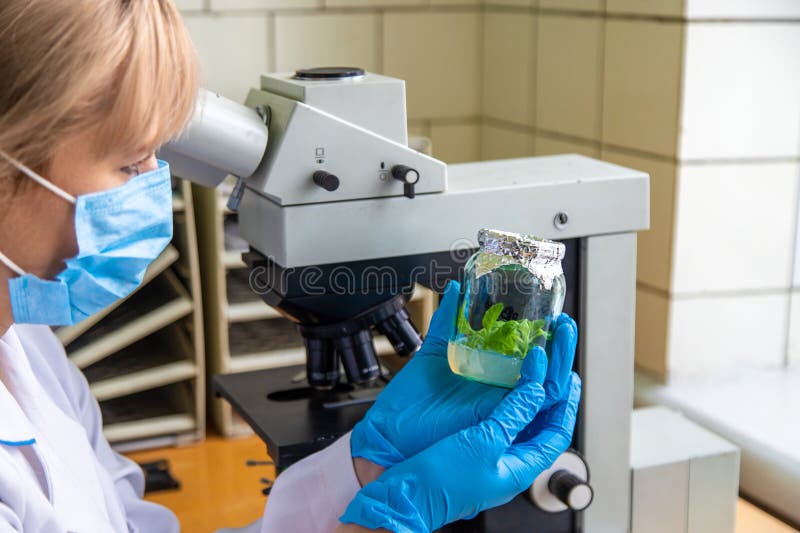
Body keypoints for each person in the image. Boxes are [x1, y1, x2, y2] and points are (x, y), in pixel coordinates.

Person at [0, 1, 581, 532]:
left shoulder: (27, 349)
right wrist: (381, 522)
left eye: (160, 154)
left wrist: (366, 469)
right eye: (130, 162)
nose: (154, 183)